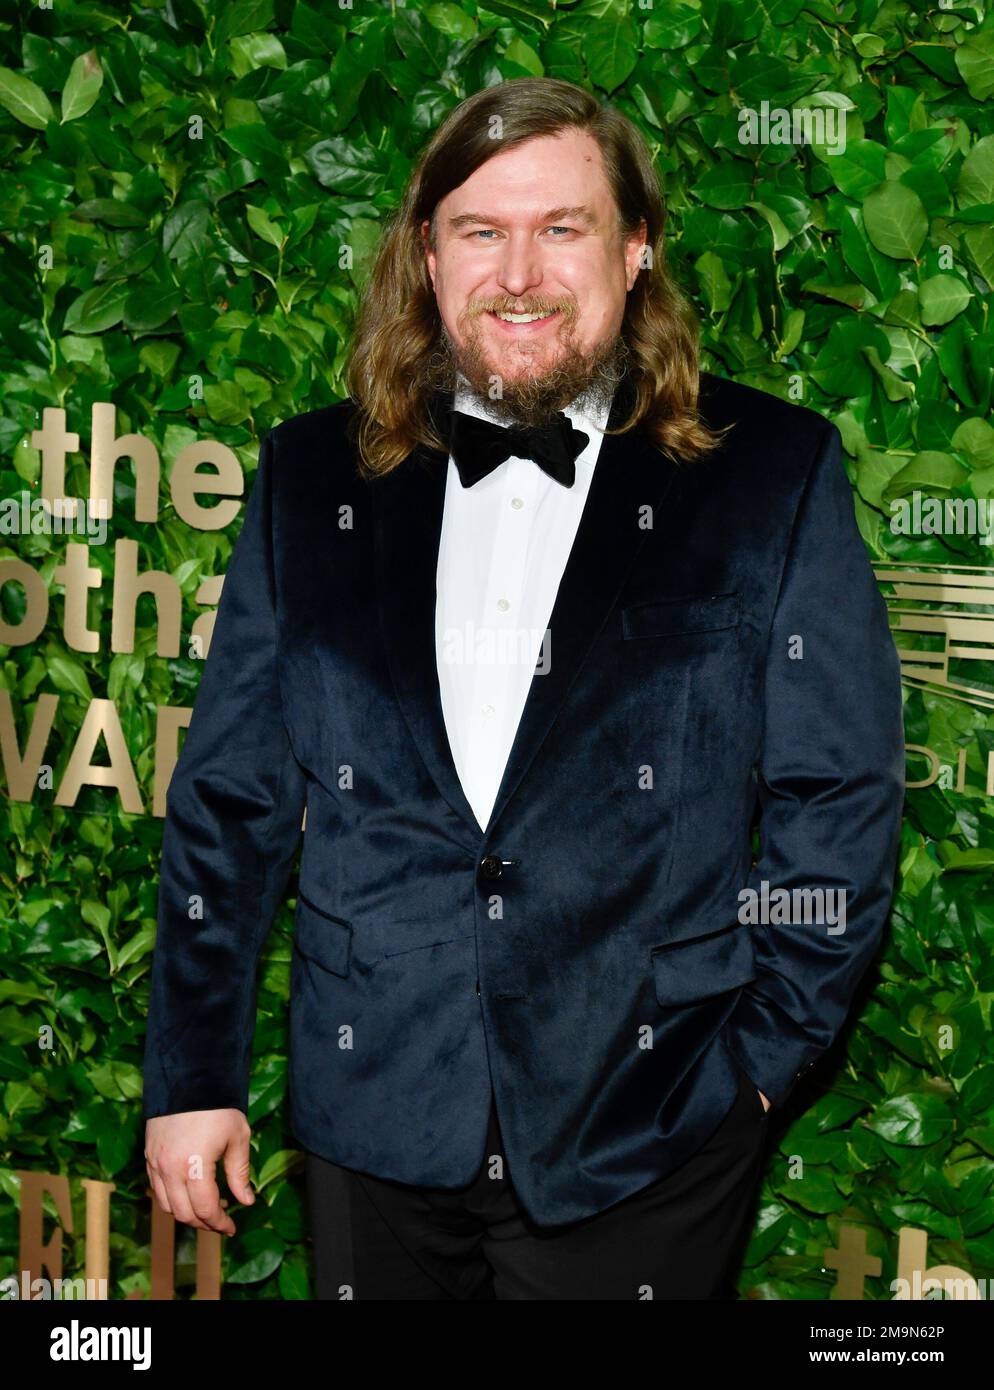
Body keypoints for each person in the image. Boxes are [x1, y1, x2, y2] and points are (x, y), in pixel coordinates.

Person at [142, 77, 906, 1300]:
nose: (520, 273)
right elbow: (230, 803)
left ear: (637, 247)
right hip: (373, 1123)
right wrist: (192, 1081)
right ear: (427, 259)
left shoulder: (770, 474)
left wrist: (756, 1068)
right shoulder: (305, 481)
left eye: (563, 228)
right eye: (480, 232)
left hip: (647, 1129)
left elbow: (840, 796)